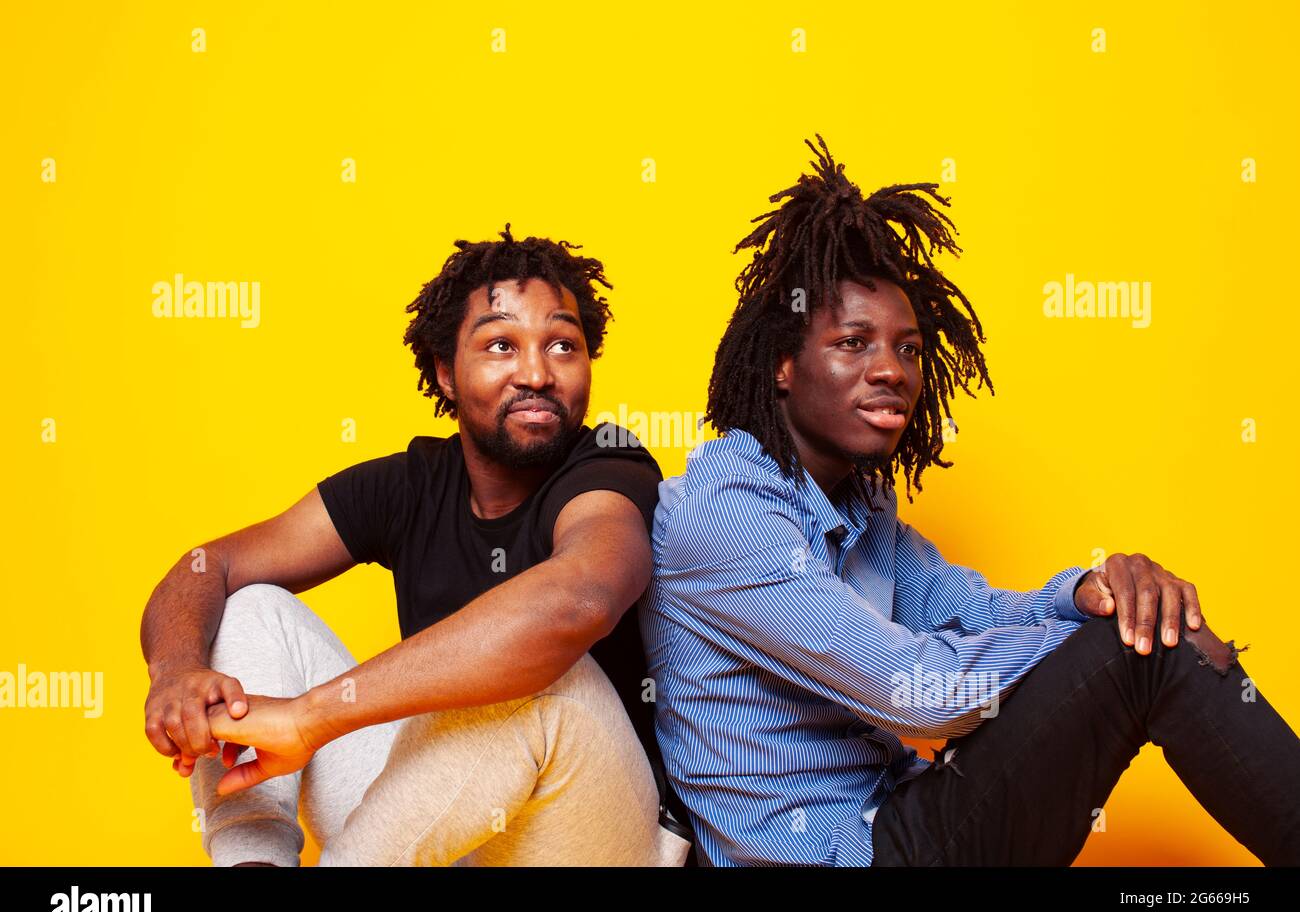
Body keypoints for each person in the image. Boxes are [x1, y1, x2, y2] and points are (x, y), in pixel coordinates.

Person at [637, 135, 1300, 866]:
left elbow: (972, 609)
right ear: (784, 367)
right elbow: (920, 692)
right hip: (846, 857)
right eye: (854, 343)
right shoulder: (724, 511)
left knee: (1142, 638)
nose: (891, 369)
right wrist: (1134, 637)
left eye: (910, 349)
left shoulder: (859, 505)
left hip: (903, 818)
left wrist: (1091, 597)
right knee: (1151, 650)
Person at [141, 224, 692, 866]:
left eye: (562, 345)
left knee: (542, 669)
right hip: (440, 822)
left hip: (589, 832)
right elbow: (212, 564)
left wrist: (311, 717)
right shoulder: (412, 484)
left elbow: (578, 602)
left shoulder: (610, 466)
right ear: (446, 373)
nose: (537, 372)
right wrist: (176, 671)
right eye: (500, 345)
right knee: (251, 607)